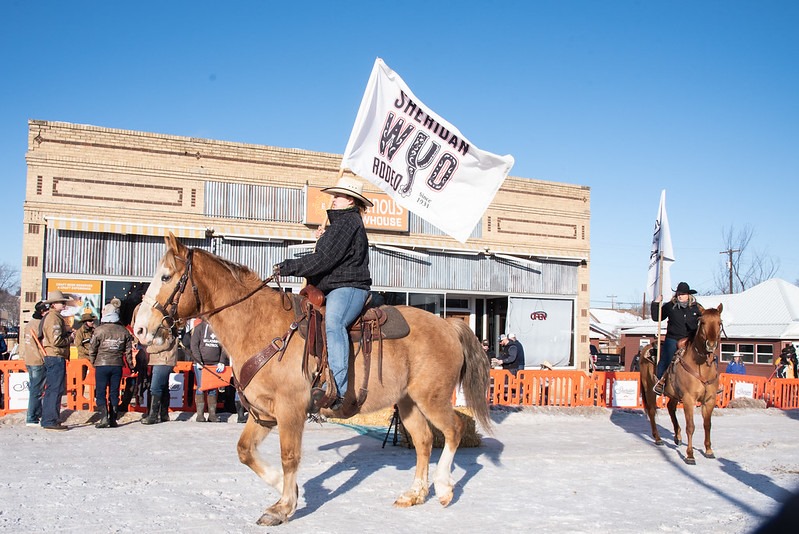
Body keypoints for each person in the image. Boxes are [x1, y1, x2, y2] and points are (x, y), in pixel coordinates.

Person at [275, 176, 373, 413]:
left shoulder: (348, 222)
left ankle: (337, 389)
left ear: (350, 200)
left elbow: (324, 261)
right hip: (333, 287)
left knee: (334, 322)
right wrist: (323, 239)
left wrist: (289, 266)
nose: (333, 199)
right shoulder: (339, 225)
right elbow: (329, 255)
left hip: (349, 287)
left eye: (337, 196)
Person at [650, 281, 702, 395]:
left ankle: (710, 382)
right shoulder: (670, 306)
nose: (680, 296)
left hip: (691, 339)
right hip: (673, 338)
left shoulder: (696, 308)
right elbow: (656, 317)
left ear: (688, 295)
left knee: (707, 356)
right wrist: (656, 304)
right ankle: (661, 382)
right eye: (678, 293)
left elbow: (705, 319)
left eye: (682, 294)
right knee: (666, 358)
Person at [88, 302, 134, 428]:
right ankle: (113, 419)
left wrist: (93, 362)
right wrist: (130, 365)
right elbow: (128, 351)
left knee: (101, 392)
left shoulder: (99, 330)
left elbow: (92, 349)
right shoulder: (124, 331)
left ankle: (103, 418)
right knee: (114, 392)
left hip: (102, 364)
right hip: (117, 364)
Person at [40, 290, 74, 431]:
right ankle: (50, 420)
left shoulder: (52, 317)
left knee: (54, 389)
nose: (64, 304)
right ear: (54, 304)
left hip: (53, 355)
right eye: (62, 302)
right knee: (55, 389)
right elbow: (56, 340)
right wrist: (70, 338)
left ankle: (50, 418)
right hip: (55, 356)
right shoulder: (54, 318)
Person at [140, 314, 178, 425]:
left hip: (163, 360)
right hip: (161, 360)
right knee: (163, 387)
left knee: (155, 388)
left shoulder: (167, 330)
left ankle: (153, 415)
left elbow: (164, 345)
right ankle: (164, 414)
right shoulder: (165, 329)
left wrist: (149, 348)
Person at [190, 319, 228, 422]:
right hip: (202, 364)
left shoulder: (220, 328)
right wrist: (198, 360)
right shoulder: (199, 328)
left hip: (215, 364)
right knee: (201, 387)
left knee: (212, 389)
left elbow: (224, 346)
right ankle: (200, 415)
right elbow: (194, 345)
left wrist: (222, 361)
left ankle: (212, 415)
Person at [21, 301, 48, 427]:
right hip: (38, 361)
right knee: (36, 391)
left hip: (29, 359)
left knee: (34, 389)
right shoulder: (39, 325)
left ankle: (36, 413)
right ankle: (32, 417)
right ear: (42, 312)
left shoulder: (30, 323)